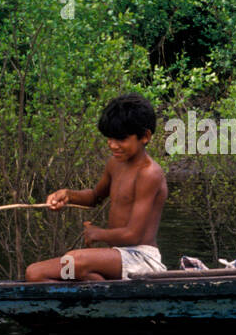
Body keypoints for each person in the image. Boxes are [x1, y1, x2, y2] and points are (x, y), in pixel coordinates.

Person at [24, 93, 168, 281]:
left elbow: (133, 235)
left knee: (74, 260)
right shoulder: (115, 164)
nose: (112, 145)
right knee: (34, 274)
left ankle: (106, 293)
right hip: (116, 256)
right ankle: (104, 300)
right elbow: (94, 197)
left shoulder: (149, 174)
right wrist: (67, 195)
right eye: (109, 139)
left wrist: (98, 234)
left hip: (142, 259)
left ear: (145, 136)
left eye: (120, 139)